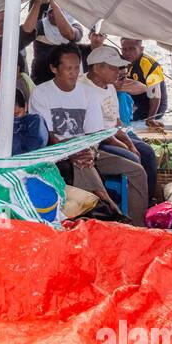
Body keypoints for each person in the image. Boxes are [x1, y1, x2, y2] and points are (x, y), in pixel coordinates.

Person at [29, 44, 140, 223]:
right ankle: (112, 211)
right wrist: (71, 153)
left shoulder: (88, 93)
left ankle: (137, 221)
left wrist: (91, 151)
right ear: (54, 69)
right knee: (86, 171)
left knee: (136, 170)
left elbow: (94, 134)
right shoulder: (41, 93)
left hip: (85, 150)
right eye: (69, 69)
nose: (74, 73)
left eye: (76, 68)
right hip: (56, 152)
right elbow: (49, 136)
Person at [78, 46, 154, 221]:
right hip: (99, 139)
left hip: (114, 133)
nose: (118, 72)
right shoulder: (84, 89)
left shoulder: (109, 86)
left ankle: (146, 202)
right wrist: (127, 147)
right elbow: (100, 132)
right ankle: (134, 213)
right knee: (135, 158)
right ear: (98, 68)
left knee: (147, 152)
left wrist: (130, 143)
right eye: (113, 67)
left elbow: (116, 121)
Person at [0, 86, 48, 163]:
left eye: (16, 115)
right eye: (4, 115)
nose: (10, 120)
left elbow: (32, 152)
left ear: (26, 107)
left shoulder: (34, 121)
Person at [31, 0, 87, 85]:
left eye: (56, 12)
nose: (52, 15)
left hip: (67, 78)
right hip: (42, 77)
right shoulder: (41, 25)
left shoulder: (75, 26)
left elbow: (70, 34)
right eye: (50, 12)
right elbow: (27, 32)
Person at [0, 0, 40, 74]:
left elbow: (28, 29)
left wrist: (37, 3)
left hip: (17, 73)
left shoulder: (14, 33)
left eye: (3, 21)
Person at [119, 38, 168, 124]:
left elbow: (155, 94)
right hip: (135, 102)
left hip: (152, 107)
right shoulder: (122, 61)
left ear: (141, 49)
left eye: (132, 48)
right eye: (124, 49)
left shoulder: (149, 64)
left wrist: (151, 118)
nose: (127, 53)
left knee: (123, 120)